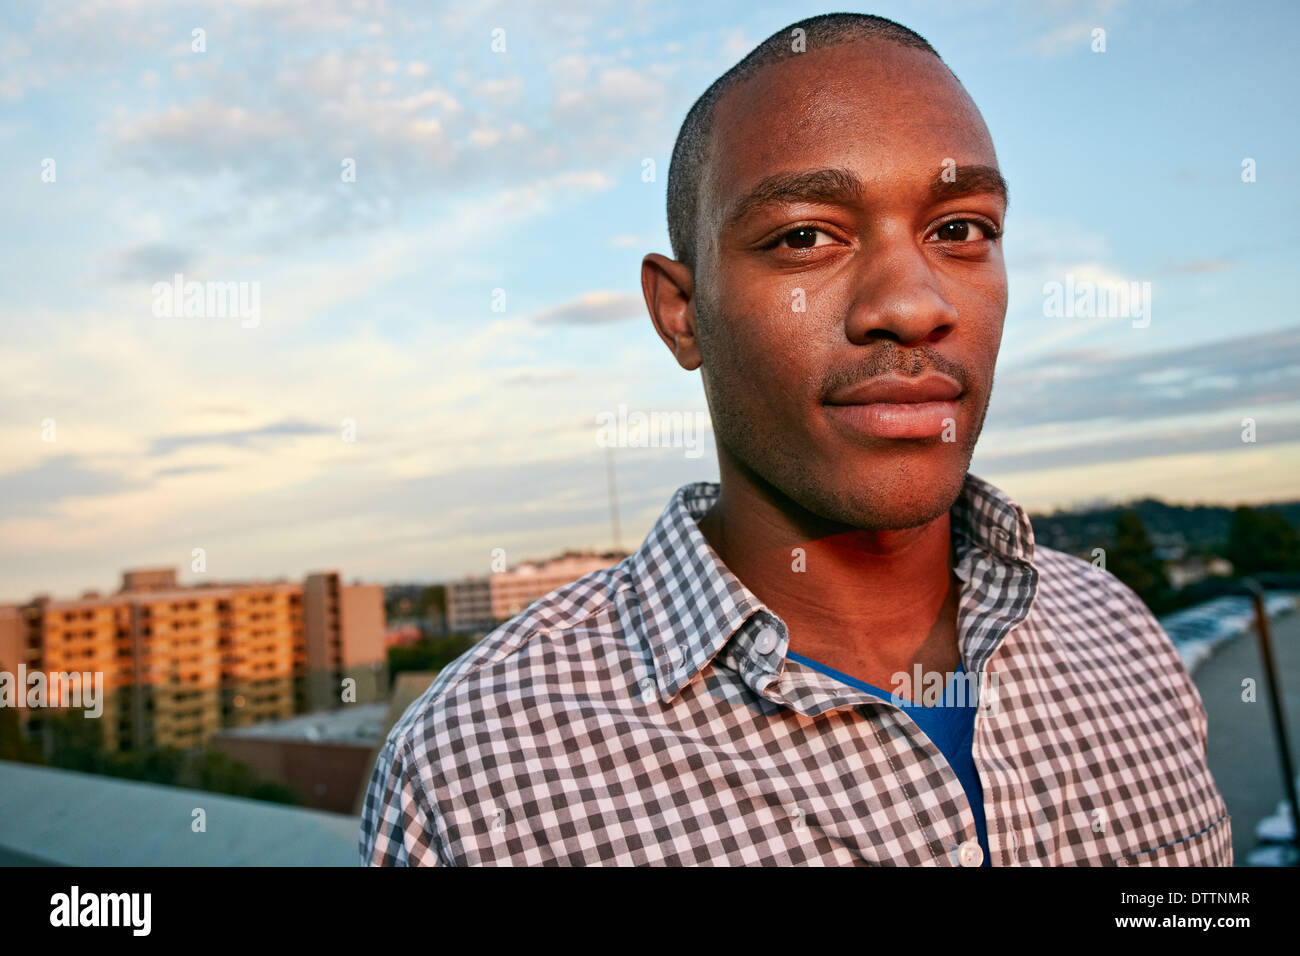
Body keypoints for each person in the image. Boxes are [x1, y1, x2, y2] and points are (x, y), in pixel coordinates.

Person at [360, 12, 1230, 866]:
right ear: (681, 314)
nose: (913, 305)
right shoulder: (479, 780)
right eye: (806, 237)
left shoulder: (1125, 638)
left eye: (959, 230)